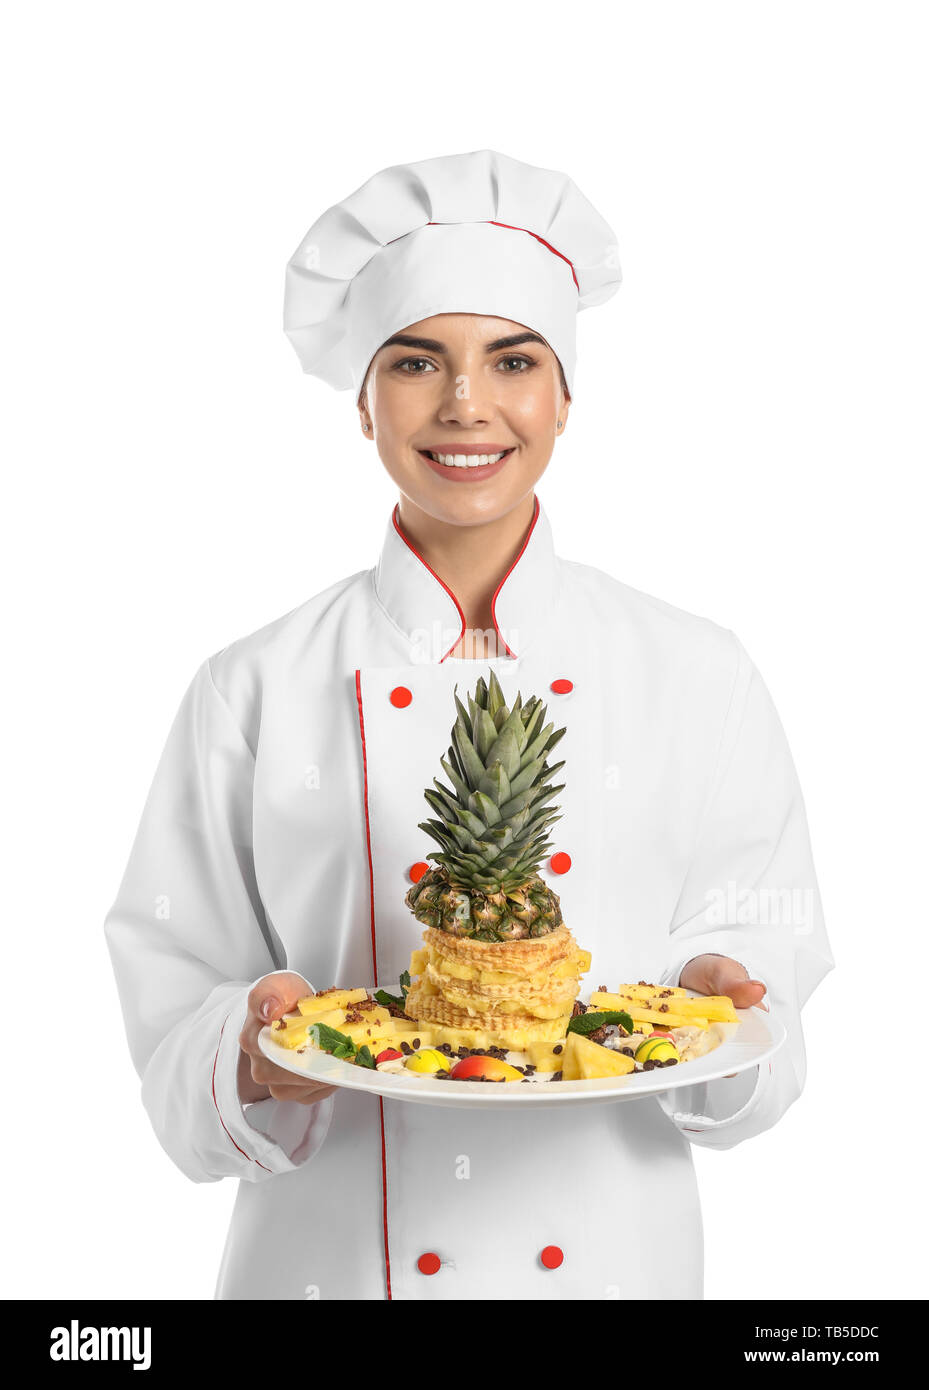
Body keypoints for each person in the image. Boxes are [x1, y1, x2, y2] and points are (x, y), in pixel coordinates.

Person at [104, 150, 834, 1300]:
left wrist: (717, 992)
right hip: (332, 1267)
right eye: (413, 362)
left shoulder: (696, 671)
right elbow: (172, 983)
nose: (463, 405)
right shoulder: (251, 684)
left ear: (562, 397)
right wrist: (243, 1053)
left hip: (609, 1267)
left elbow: (767, 1017)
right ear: (362, 401)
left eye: (512, 360)